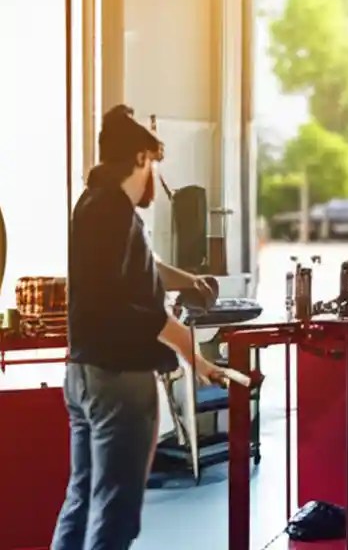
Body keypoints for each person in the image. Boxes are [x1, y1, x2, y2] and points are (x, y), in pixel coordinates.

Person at [52, 104, 226, 550]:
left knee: (82, 501)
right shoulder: (114, 209)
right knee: (115, 515)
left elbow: (141, 267)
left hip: (83, 373)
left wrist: (190, 282)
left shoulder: (94, 204)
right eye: (154, 165)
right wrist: (193, 353)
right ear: (142, 158)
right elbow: (132, 306)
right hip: (119, 380)